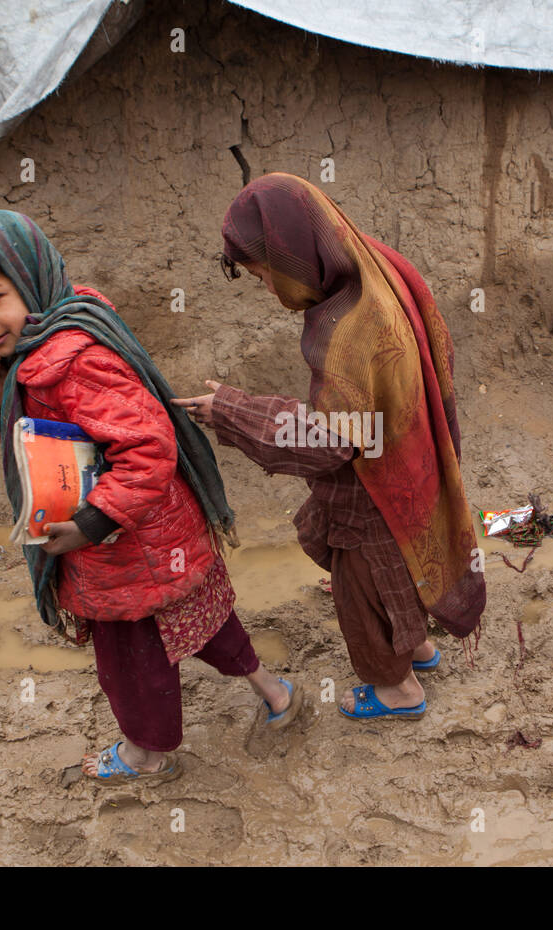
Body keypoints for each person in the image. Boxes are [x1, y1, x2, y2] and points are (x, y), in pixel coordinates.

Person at [0, 209, 302, 787]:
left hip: (127, 552)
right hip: (165, 537)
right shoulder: (59, 333)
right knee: (204, 620)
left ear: (28, 279)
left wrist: (94, 522)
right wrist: (3, 398)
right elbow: (63, 435)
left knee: (132, 665)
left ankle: (147, 755)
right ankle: (275, 693)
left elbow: (147, 450)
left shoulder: (74, 360)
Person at [174, 173, 486, 721]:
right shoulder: (379, 264)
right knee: (401, 559)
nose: (269, 289)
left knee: (361, 585)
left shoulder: (344, 329)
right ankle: (419, 647)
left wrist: (232, 410)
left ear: (293, 257)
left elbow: (330, 441)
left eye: (264, 275)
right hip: (413, 452)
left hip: (375, 480)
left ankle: (398, 691)